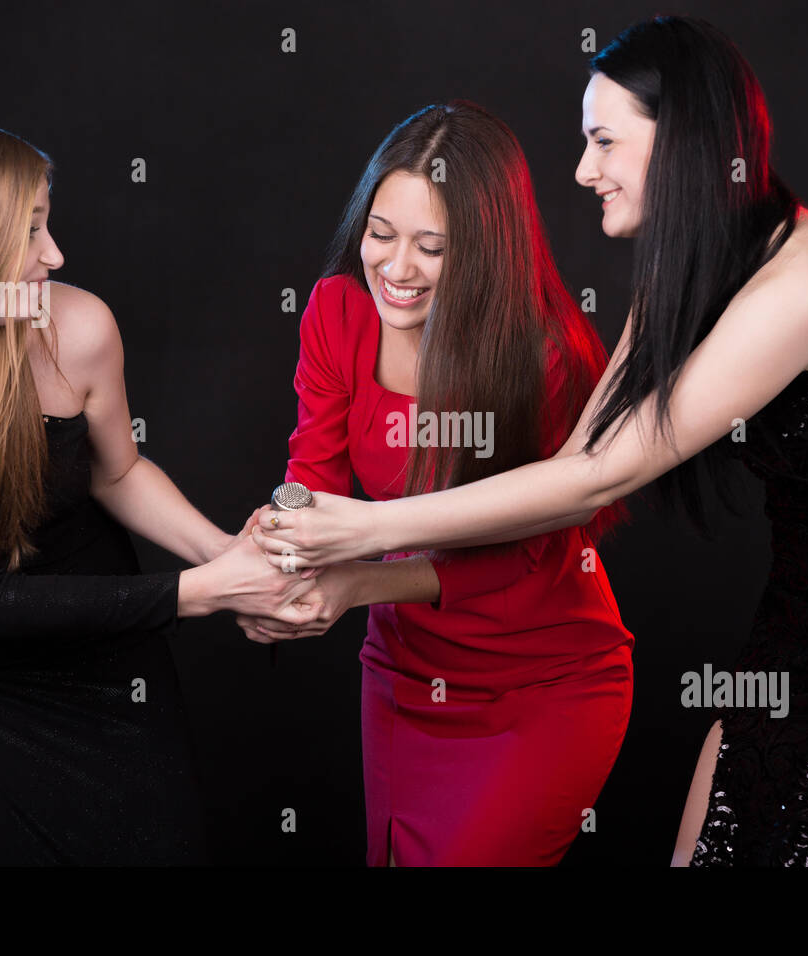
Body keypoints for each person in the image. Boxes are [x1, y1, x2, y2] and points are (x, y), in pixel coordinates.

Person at [250, 17, 808, 866]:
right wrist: (296, 544)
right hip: (806, 614)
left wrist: (360, 534)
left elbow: (593, 483)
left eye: (604, 142)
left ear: (685, 141)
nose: (584, 170)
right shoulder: (688, 267)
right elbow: (579, 459)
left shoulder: (806, 281)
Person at [0, 111, 320, 864]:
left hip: (106, 670)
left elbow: (121, 472)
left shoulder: (77, 326)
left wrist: (237, 557)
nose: (56, 254)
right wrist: (212, 589)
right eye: (29, 234)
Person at [236, 101, 634, 866]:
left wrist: (353, 583)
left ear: (488, 249)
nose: (395, 268)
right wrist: (280, 541)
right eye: (379, 235)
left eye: (432, 248)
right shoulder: (337, 309)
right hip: (408, 671)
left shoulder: (546, 353)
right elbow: (309, 471)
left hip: (544, 679)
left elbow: (513, 558)